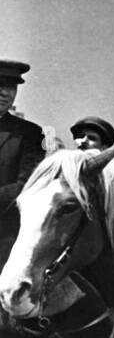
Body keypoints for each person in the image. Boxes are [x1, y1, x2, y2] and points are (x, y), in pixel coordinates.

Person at [0, 61, 44, 250]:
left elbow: (28, 184)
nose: (4, 92)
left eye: (10, 86)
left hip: (6, 236)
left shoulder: (30, 133)